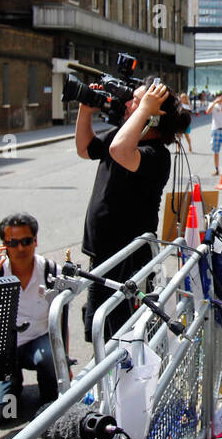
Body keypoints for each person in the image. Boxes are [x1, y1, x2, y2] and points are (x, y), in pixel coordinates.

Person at [76, 80, 190, 345]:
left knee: (117, 334)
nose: (128, 105)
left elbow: (119, 152)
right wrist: (85, 110)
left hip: (126, 259)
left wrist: (145, 109)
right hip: (103, 254)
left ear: (152, 116)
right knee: (102, 328)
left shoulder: (156, 155)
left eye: (137, 102)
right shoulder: (125, 135)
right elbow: (85, 149)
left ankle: (113, 383)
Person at [0, 213, 60, 424]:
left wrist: (65, 365)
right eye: (13, 243)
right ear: (4, 245)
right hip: (3, 351)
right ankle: (12, 383)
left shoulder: (50, 271)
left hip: (37, 344)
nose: (20, 249)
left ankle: (49, 397)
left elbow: (60, 319)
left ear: (35, 241)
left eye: (26, 241)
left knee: (48, 357)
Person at [205, 94, 222, 177]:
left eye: (221, 96)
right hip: (216, 129)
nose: (220, 98)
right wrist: (214, 102)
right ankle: (216, 169)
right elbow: (207, 112)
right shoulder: (213, 104)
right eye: (218, 96)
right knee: (216, 151)